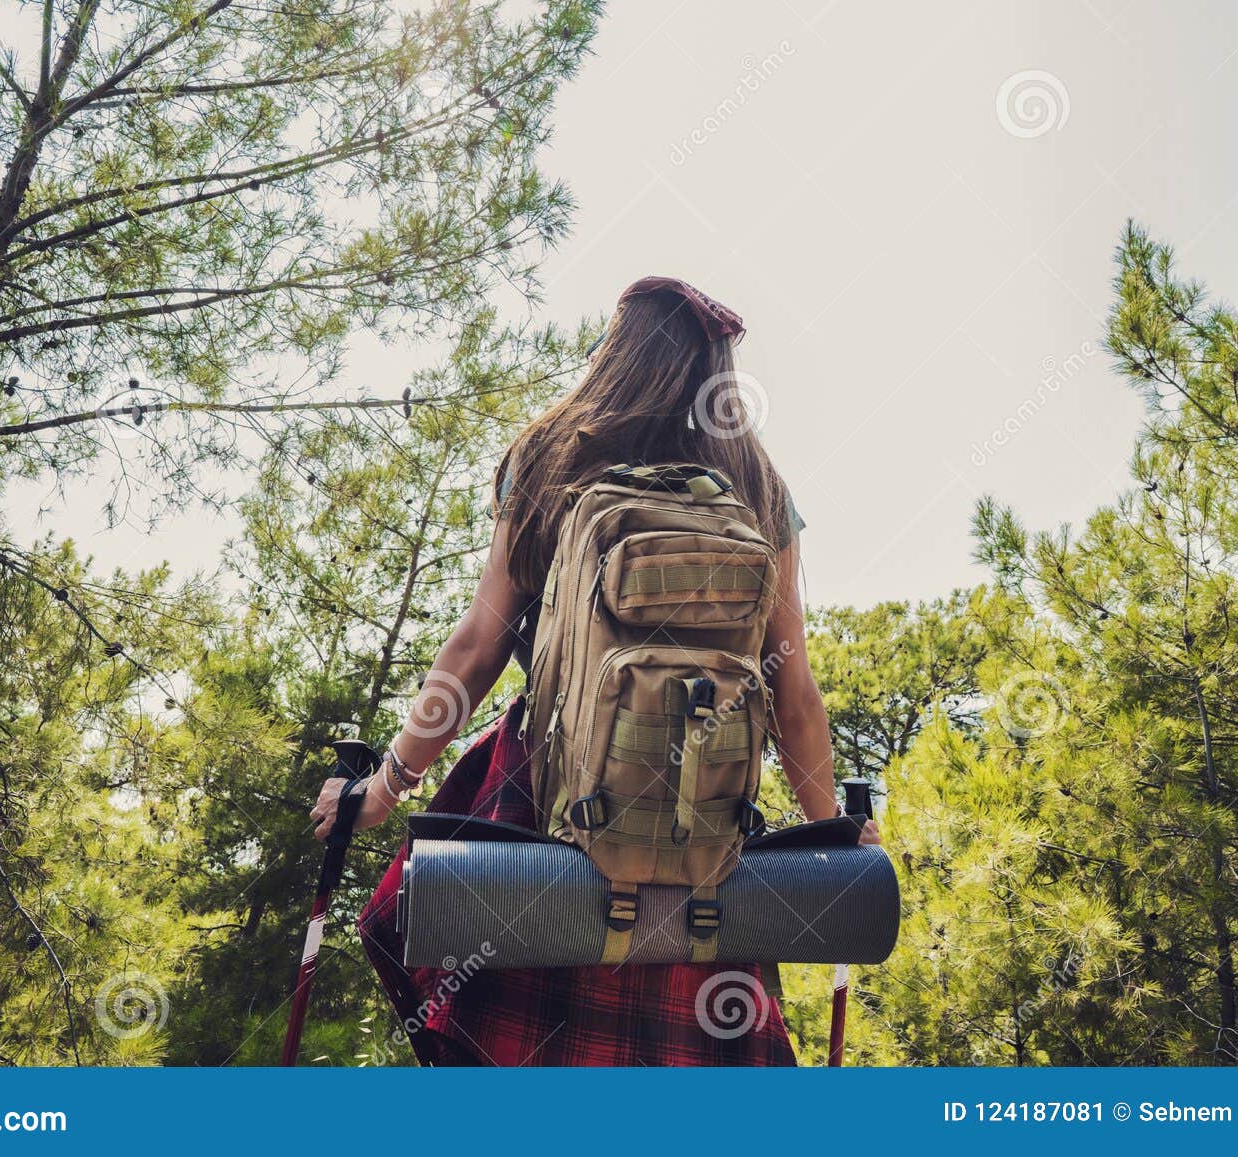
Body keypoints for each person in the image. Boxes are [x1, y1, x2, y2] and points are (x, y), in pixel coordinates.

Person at [311, 275, 880, 1066]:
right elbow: (792, 692)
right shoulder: (756, 481)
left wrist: (384, 788)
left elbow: (479, 643)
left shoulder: (550, 452)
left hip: (542, 807)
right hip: (701, 828)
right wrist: (835, 836)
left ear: (615, 351)